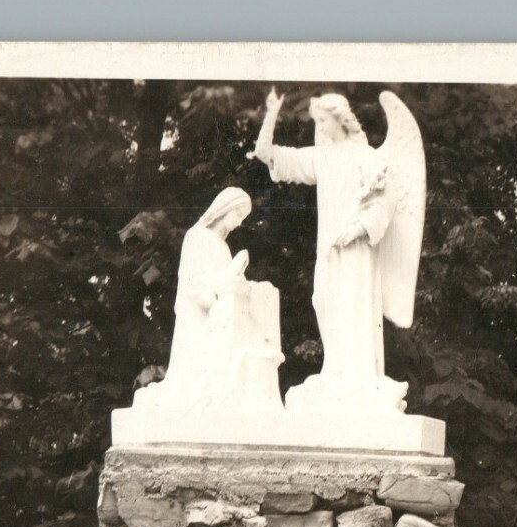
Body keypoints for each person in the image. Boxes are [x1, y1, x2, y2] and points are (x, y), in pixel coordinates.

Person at [253, 90, 405, 405]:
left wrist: (358, 228)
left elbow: (387, 199)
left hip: (356, 249)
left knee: (353, 304)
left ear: (340, 118)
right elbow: (266, 152)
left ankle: (356, 377)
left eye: (323, 120)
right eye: (317, 121)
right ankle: (336, 370)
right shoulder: (322, 157)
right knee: (323, 299)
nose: (319, 127)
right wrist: (271, 114)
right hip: (329, 249)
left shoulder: (366, 156)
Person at [159, 187, 253, 405]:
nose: (240, 222)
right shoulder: (198, 236)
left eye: (243, 218)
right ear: (224, 209)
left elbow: (225, 283)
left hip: (217, 314)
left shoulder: (223, 245)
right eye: (238, 215)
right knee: (195, 372)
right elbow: (195, 283)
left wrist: (237, 273)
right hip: (199, 313)